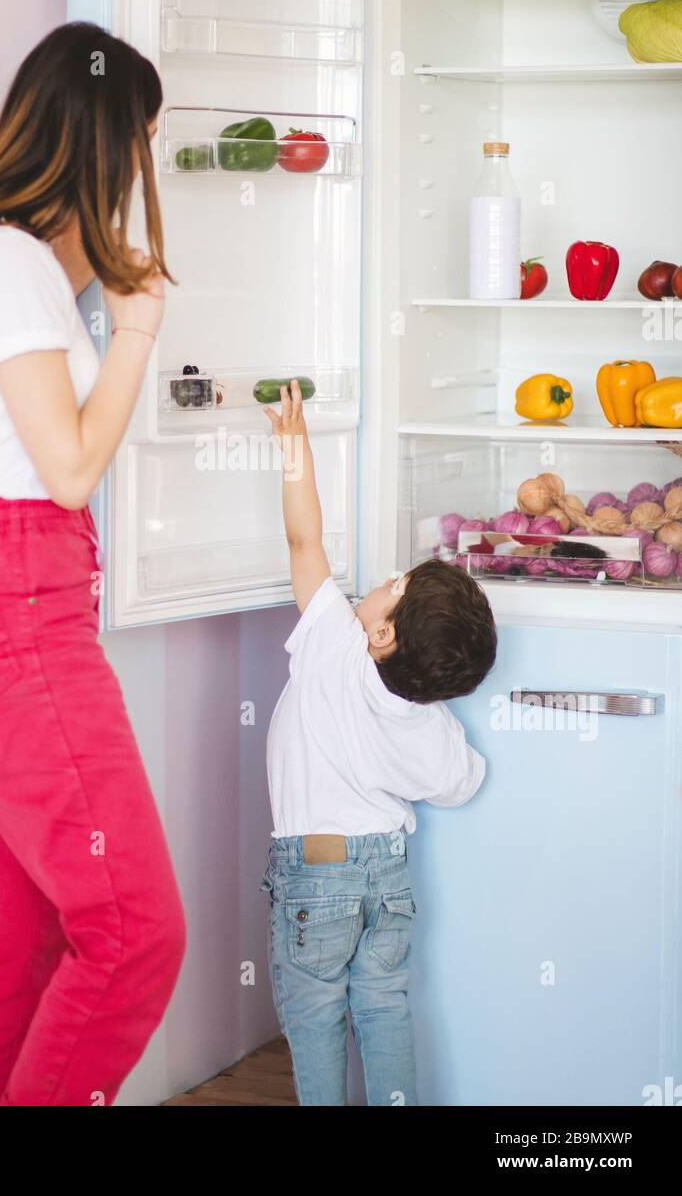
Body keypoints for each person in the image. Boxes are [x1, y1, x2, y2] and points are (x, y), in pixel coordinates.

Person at [0, 22, 186, 1106]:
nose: (141, 169)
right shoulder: (13, 266)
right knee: (136, 932)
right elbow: (67, 469)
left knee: (24, 936)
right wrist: (137, 335)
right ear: (103, 140)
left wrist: (99, 292)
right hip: (13, 601)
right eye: (140, 141)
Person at [260, 381, 496, 1106]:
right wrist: (443, 713)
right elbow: (464, 782)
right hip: (387, 879)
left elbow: (305, 540)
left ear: (382, 633)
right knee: (384, 1008)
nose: (381, 582)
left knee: (315, 1018)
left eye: (391, 587)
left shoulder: (335, 640)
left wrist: (292, 444)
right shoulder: (427, 722)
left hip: (315, 873)